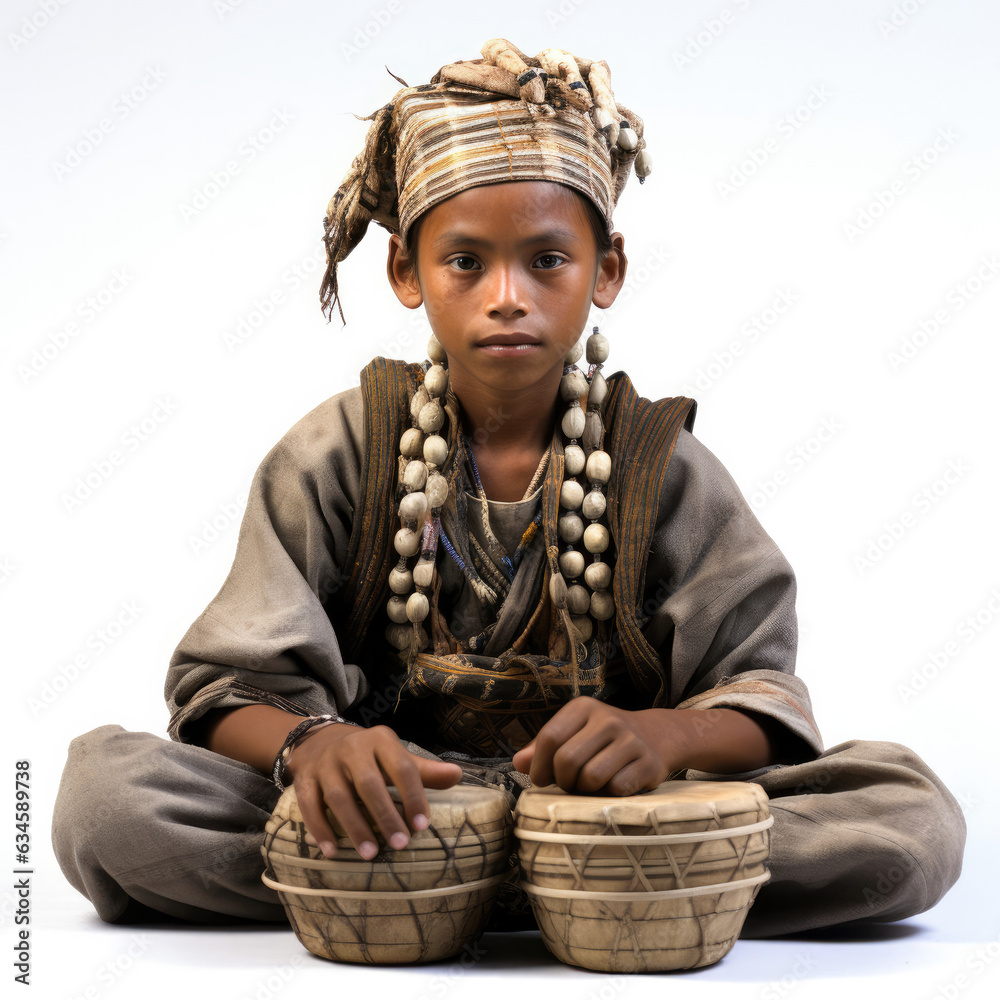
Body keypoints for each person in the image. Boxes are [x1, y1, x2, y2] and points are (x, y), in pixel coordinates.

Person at [53, 39, 964, 940]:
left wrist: (670, 742)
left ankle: (437, 890)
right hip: (401, 807)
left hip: (610, 814)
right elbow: (228, 686)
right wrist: (314, 746)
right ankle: (589, 893)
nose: (506, 296)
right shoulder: (341, 451)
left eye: (546, 260)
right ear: (405, 272)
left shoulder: (658, 467)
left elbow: (756, 692)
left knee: (906, 816)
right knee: (106, 799)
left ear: (605, 269)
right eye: (465, 261)